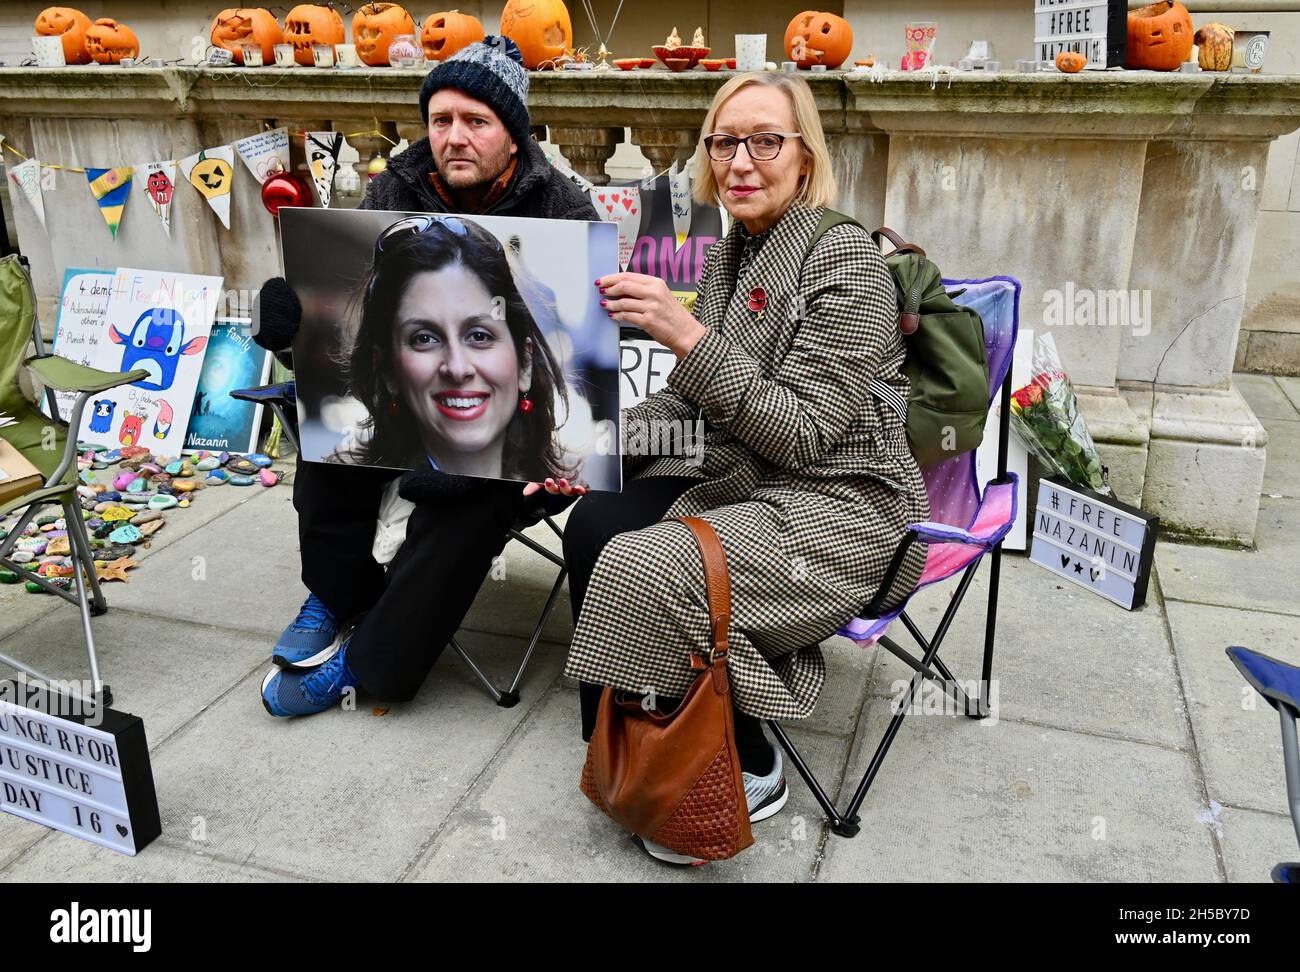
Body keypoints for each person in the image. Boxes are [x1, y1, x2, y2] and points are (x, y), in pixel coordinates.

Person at [555, 73, 931, 864]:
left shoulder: (847, 265)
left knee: (649, 563)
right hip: (748, 470)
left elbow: (798, 433)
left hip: (845, 505)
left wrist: (684, 337)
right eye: (724, 142)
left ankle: (747, 759)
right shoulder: (732, 255)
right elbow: (696, 408)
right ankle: (633, 721)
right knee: (595, 514)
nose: (741, 161)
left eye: (766, 140)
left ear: (805, 157)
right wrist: (590, 444)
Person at [253, 36, 598, 717]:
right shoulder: (393, 189)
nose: (455, 137)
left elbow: (587, 364)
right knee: (330, 434)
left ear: (512, 135)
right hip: (412, 400)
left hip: (515, 433)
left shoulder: (565, 209)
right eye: (441, 120)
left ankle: (367, 664)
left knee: (469, 493)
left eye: (476, 121)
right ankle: (337, 593)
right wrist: (291, 334)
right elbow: (354, 342)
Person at [328, 214, 573, 484]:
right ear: (388, 370)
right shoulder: (344, 487)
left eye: (479, 336)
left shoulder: (565, 482)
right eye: (424, 339)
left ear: (525, 362)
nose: (457, 368)